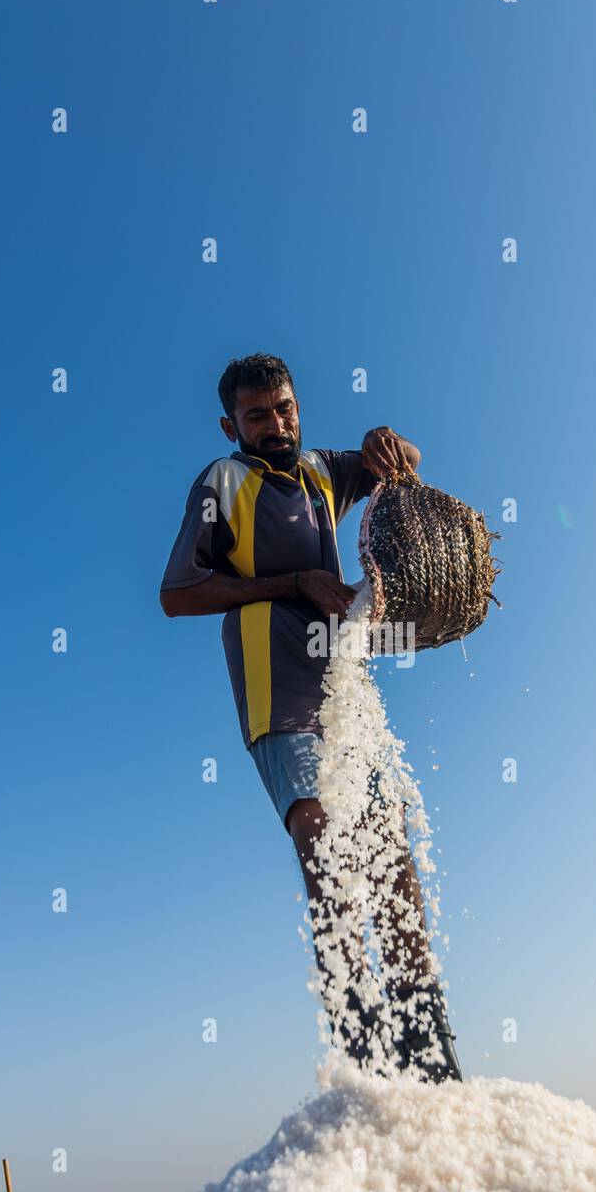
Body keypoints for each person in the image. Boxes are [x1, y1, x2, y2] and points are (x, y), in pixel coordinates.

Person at [159, 353, 462, 1083]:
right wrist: (293, 581)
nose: (276, 424)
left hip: (343, 696)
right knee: (326, 850)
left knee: (392, 862)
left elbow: (399, 464)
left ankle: (431, 1059)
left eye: (285, 408)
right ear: (232, 424)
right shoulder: (221, 482)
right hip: (277, 696)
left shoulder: (327, 472)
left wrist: (393, 441)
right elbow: (177, 591)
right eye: (258, 415)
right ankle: (361, 1062)